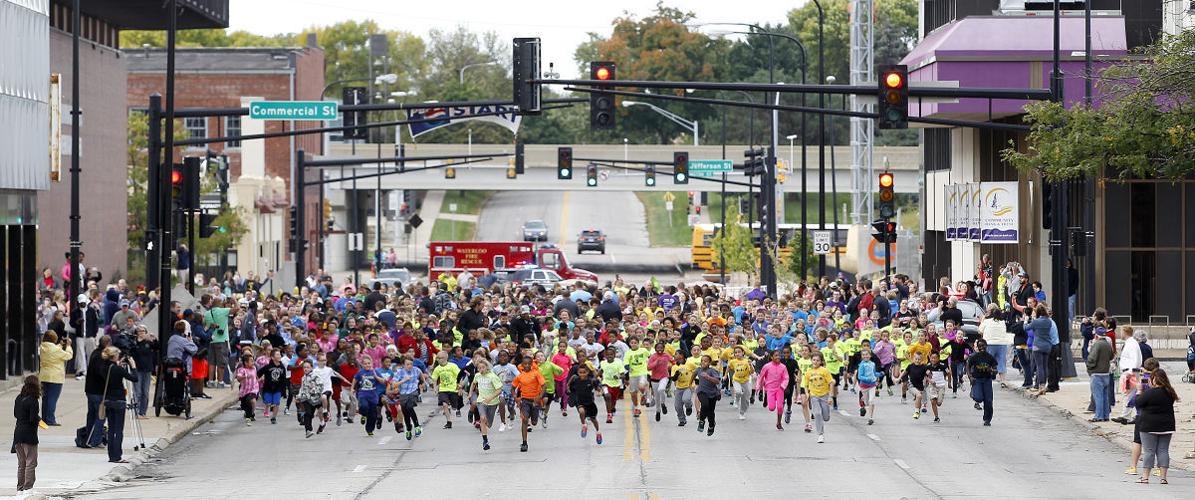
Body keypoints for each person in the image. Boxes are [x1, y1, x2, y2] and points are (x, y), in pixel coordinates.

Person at [1134, 368, 1179, 485]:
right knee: (1163, 450)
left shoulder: (1149, 393)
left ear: (1154, 379)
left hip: (1149, 426)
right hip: (1167, 426)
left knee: (1149, 451)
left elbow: (1138, 403)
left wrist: (1139, 390)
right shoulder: (1170, 392)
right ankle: (1163, 478)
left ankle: (1145, 477)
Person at [100, 346, 138, 463]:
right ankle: (117, 455)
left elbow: (111, 372)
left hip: (108, 400)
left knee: (111, 429)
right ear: (115, 356)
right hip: (119, 400)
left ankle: (111, 455)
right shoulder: (118, 369)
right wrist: (133, 366)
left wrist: (118, 364)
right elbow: (134, 378)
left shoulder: (104, 367)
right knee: (118, 430)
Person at [37, 331, 72, 426]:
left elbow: (54, 350)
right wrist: (68, 346)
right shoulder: (55, 349)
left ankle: (44, 418)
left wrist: (61, 344)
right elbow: (68, 355)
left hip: (44, 376)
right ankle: (50, 419)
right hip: (55, 377)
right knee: (52, 399)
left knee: (45, 399)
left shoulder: (42, 347)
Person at [510, 356, 545, 452]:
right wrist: (516, 398)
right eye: (525, 364)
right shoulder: (520, 376)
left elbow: (544, 385)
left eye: (529, 364)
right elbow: (512, 388)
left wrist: (540, 397)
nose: (527, 365)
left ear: (531, 364)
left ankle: (537, 414)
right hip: (524, 400)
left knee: (534, 423)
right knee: (524, 420)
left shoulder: (536, 373)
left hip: (535, 401)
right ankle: (524, 443)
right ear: (522, 365)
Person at [13, 375, 41, 492]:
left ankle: (20, 487)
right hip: (29, 435)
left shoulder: (19, 398)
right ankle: (28, 487)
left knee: (21, 463)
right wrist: (40, 420)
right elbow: (33, 419)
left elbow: (16, 414)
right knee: (31, 462)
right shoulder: (33, 400)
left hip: (18, 433)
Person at [566, 364, 603, 445]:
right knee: (581, 412)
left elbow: (598, 389)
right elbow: (568, 384)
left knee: (594, 420)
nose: (582, 374)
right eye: (580, 372)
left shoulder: (591, 381)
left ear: (587, 372)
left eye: (584, 372)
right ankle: (584, 425)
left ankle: (598, 432)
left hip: (590, 403)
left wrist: (599, 392)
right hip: (580, 401)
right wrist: (568, 389)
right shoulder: (575, 379)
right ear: (578, 372)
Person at [470, 358, 502, 450]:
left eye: (483, 367)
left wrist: (490, 398)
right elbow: (473, 383)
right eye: (479, 368)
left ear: (487, 367)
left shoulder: (493, 377)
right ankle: (485, 441)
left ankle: (485, 427)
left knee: (489, 424)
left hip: (493, 402)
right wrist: (470, 393)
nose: (481, 370)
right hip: (481, 401)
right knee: (482, 418)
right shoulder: (477, 376)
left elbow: (499, 390)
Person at [802, 351, 833, 443]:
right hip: (814, 396)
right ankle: (820, 434)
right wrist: (807, 394)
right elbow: (806, 385)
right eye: (814, 360)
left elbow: (831, 383)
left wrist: (830, 396)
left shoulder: (824, 371)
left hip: (824, 395)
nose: (815, 362)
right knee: (817, 414)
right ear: (811, 360)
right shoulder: (808, 372)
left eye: (817, 360)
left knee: (826, 417)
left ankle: (826, 415)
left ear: (821, 361)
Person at [755, 350, 790, 430]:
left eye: (779, 355)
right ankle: (768, 400)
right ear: (771, 357)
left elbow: (786, 378)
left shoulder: (783, 367)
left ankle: (779, 423)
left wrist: (783, 385)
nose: (778, 357)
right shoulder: (767, 366)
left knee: (780, 407)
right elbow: (761, 377)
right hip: (770, 389)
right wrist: (758, 386)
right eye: (776, 355)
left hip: (780, 389)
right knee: (771, 408)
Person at [966, 339, 998, 426]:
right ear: (977, 347)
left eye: (983, 345)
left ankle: (987, 419)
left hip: (987, 380)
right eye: (979, 346)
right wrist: (970, 377)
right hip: (977, 380)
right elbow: (968, 366)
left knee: (988, 401)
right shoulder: (974, 357)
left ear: (986, 346)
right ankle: (974, 393)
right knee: (978, 398)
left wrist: (992, 370)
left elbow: (995, 369)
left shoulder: (990, 357)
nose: (982, 348)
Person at [1086, 331, 1114, 422]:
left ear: (1096, 336)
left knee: (1098, 396)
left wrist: (1089, 367)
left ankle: (1098, 416)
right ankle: (1106, 415)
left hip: (1097, 373)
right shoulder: (1107, 344)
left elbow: (1091, 358)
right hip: (1106, 373)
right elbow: (1111, 356)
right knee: (1105, 396)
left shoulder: (1097, 344)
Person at [258, 350, 287, 425]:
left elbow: (284, 379)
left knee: (276, 403)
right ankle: (267, 408)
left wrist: (284, 391)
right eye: (277, 355)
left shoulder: (282, 367)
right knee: (268, 402)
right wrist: (258, 380)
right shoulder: (267, 367)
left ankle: (273, 417)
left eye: (280, 354)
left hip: (278, 388)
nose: (279, 356)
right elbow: (258, 373)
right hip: (268, 388)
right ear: (272, 357)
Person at [694, 355, 721, 437]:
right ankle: (701, 421)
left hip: (712, 393)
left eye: (705, 361)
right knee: (705, 405)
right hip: (701, 391)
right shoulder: (698, 370)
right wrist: (689, 384)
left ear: (709, 363)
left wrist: (708, 377)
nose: (703, 362)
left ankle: (711, 425)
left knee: (710, 412)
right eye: (702, 361)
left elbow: (717, 381)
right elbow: (693, 375)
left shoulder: (712, 371)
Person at [235, 353, 260, 425]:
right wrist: (245, 377)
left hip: (254, 389)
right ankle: (248, 413)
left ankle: (250, 415)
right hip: (244, 391)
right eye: (251, 361)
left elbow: (256, 376)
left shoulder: (254, 368)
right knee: (244, 406)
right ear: (246, 362)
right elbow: (238, 378)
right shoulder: (242, 370)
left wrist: (260, 379)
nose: (253, 362)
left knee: (252, 400)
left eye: (253, 360)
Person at [856, 348, 878, 425]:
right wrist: (867, 379)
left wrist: (879, 374)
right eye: (863, 355)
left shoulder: (873, 364)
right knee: (867, 403)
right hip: (864, 386)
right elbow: (859, 376)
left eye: (867, 354)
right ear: (861, 356)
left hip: (872, 385)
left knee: (871, 401)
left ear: (870, 355)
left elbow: (874, 373)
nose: (865, 356)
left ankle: (870, 418)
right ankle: (862, 399)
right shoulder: (861, 365)